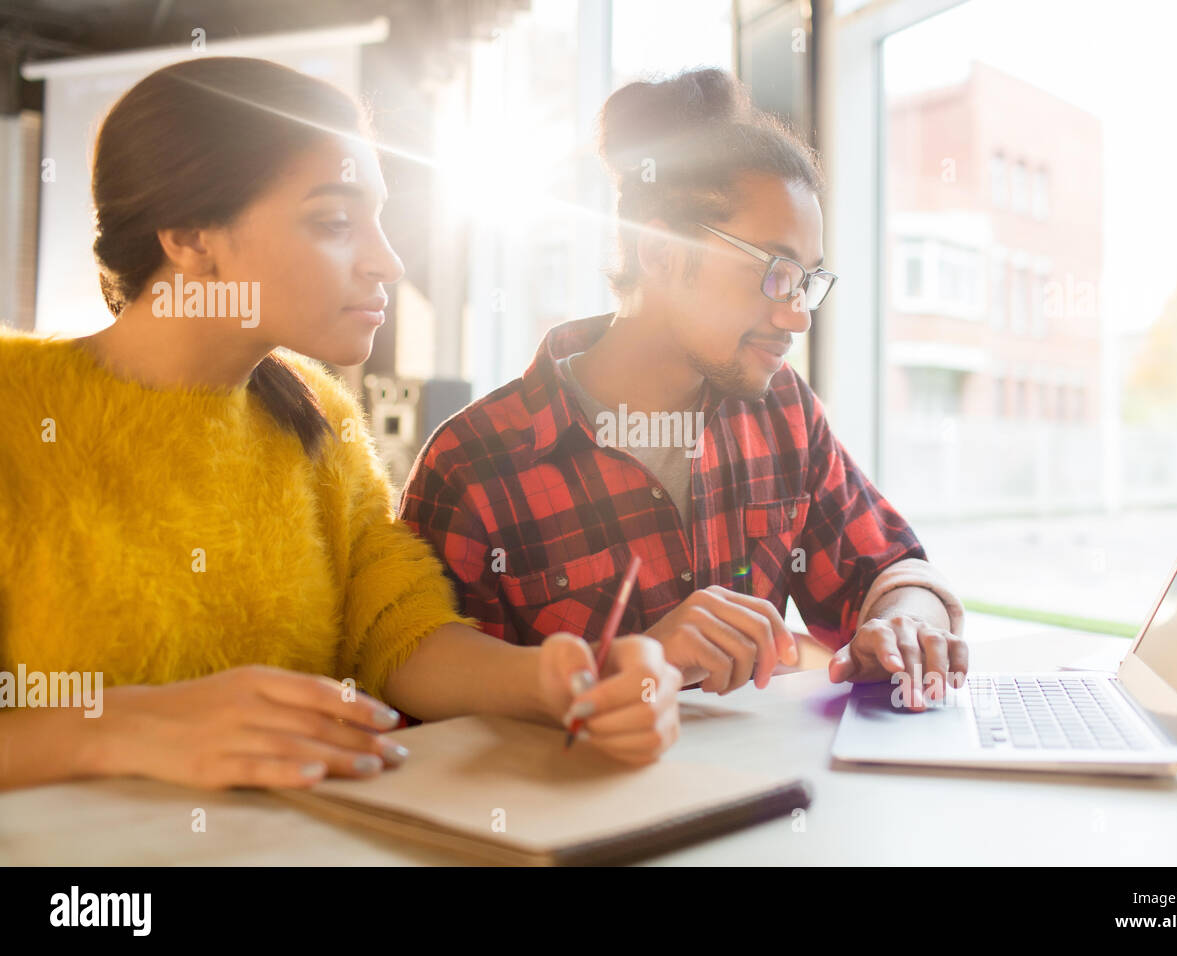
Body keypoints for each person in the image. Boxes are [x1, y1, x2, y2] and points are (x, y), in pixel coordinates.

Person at [0, 57, 681, 792]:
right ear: (190, 236)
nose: (386, 261)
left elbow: (398, 635)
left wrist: (556, 680)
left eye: (379, 218)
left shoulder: (317, 417)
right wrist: (123, 728)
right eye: (333, 221)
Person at [401, 69, 968, 709]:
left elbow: (890, 568)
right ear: (661, 250)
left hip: (768, 799)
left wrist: (905, 622)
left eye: (807, 280)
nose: (798, 315)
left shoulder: (783, 412)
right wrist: (636, 669)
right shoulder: (474, 464)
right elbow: (430, 709)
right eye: (775, 272)